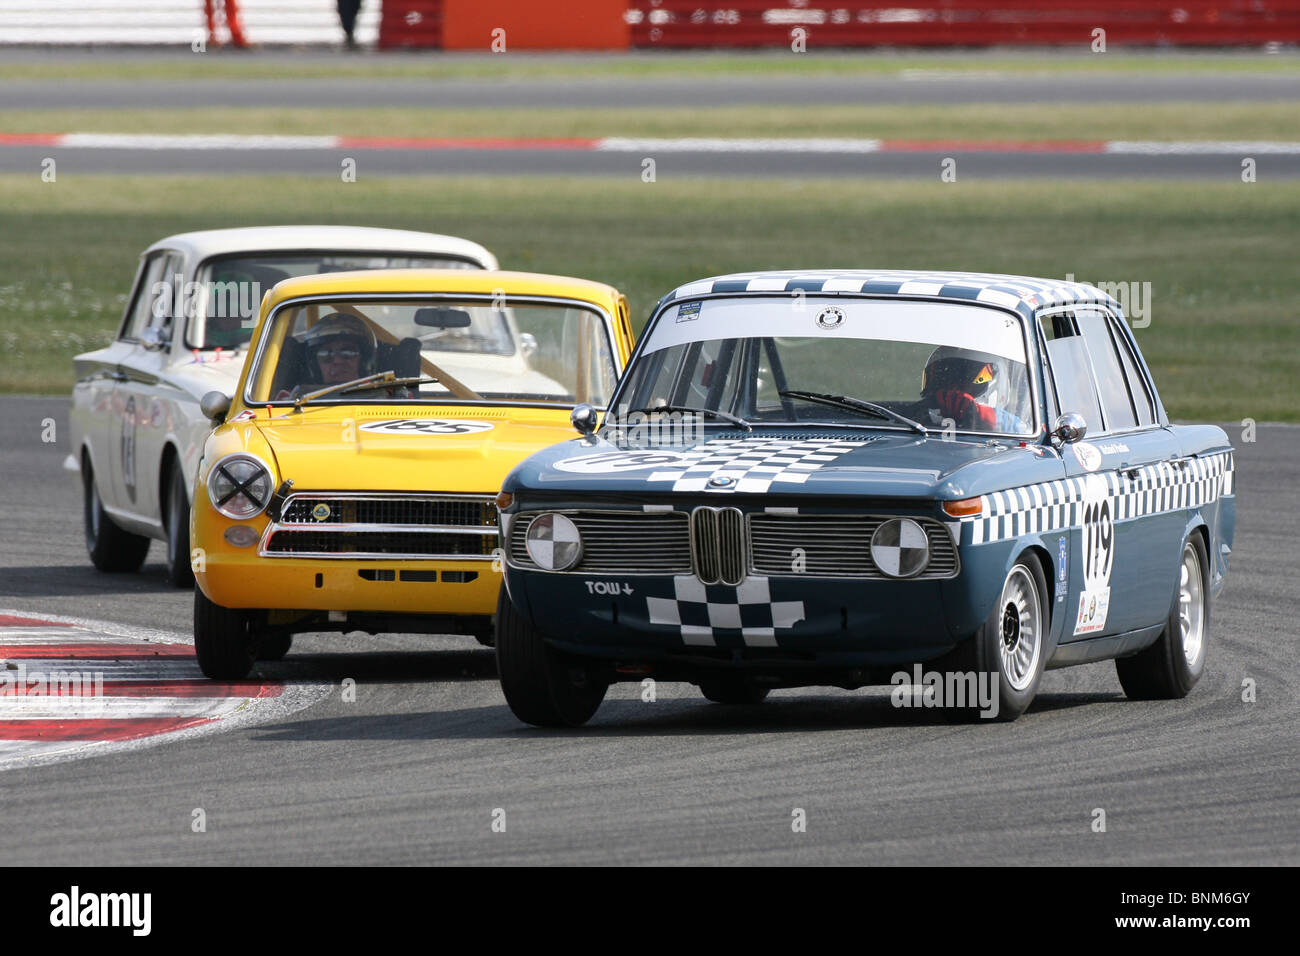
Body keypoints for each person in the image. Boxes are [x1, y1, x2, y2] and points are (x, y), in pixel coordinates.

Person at [919, 345, 1028, 433]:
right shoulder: (915, 418)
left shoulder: (1013, 428)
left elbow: (1023, 431)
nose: (952, 389)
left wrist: (981, 415)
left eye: (963, 379)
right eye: (944, 379)